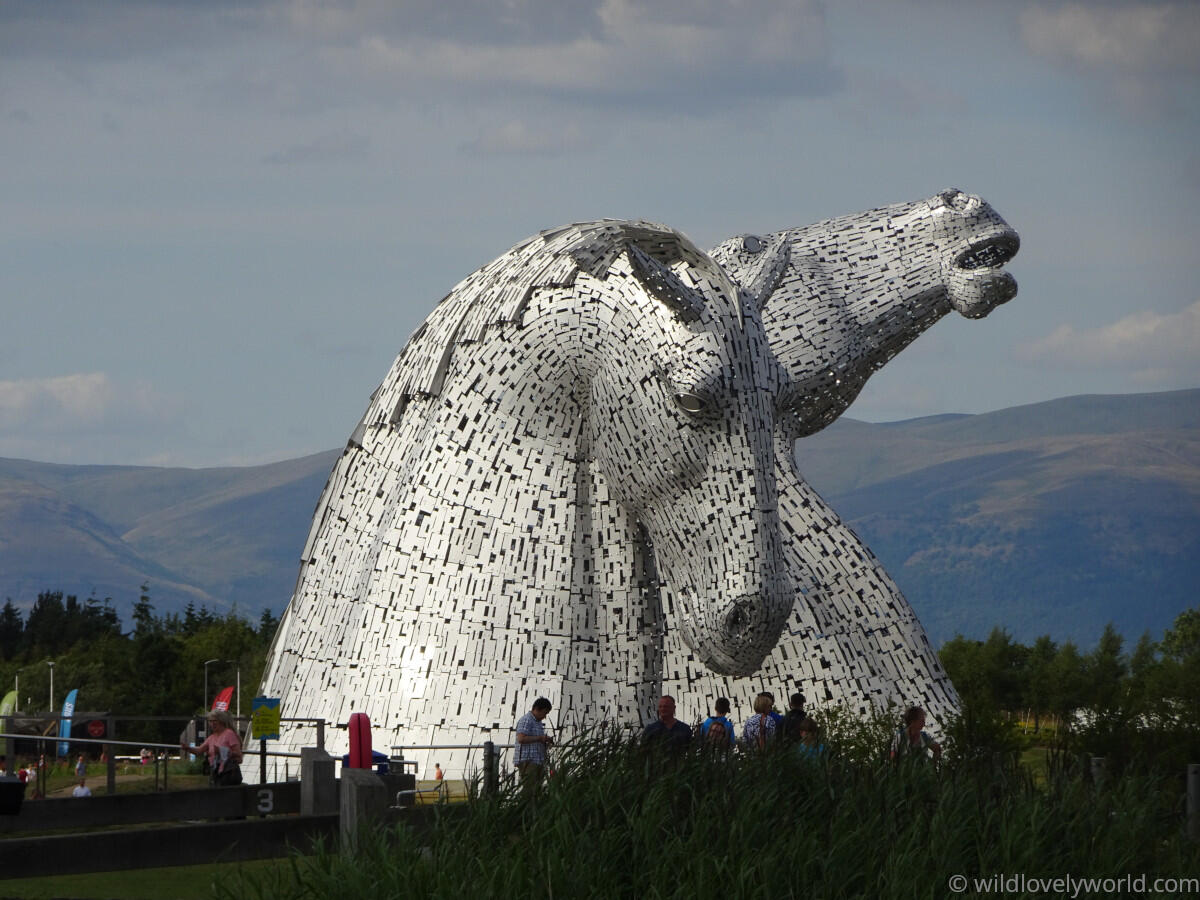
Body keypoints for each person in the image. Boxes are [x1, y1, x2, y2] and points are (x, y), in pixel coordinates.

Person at [181, 709, 244, 786]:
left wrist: (222, 751)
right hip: (215, 773)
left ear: (221, 721)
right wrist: (188, 748)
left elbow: (238, 754)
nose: (212, 724)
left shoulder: (229, 734)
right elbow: (199, 751)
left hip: (229, 773)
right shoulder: (211, 737)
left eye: (215, 721)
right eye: (210, 721)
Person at [513, 698, 554, 790]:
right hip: (528, 761)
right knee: (529, 791)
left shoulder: (537, 723)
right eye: (544, 713)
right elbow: (521, 738)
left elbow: (534, 740)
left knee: (536, 790)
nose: (545, 716)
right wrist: (540, 738)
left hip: (537, 761)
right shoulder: (526, 720)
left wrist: (545, 741)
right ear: (537, 708)